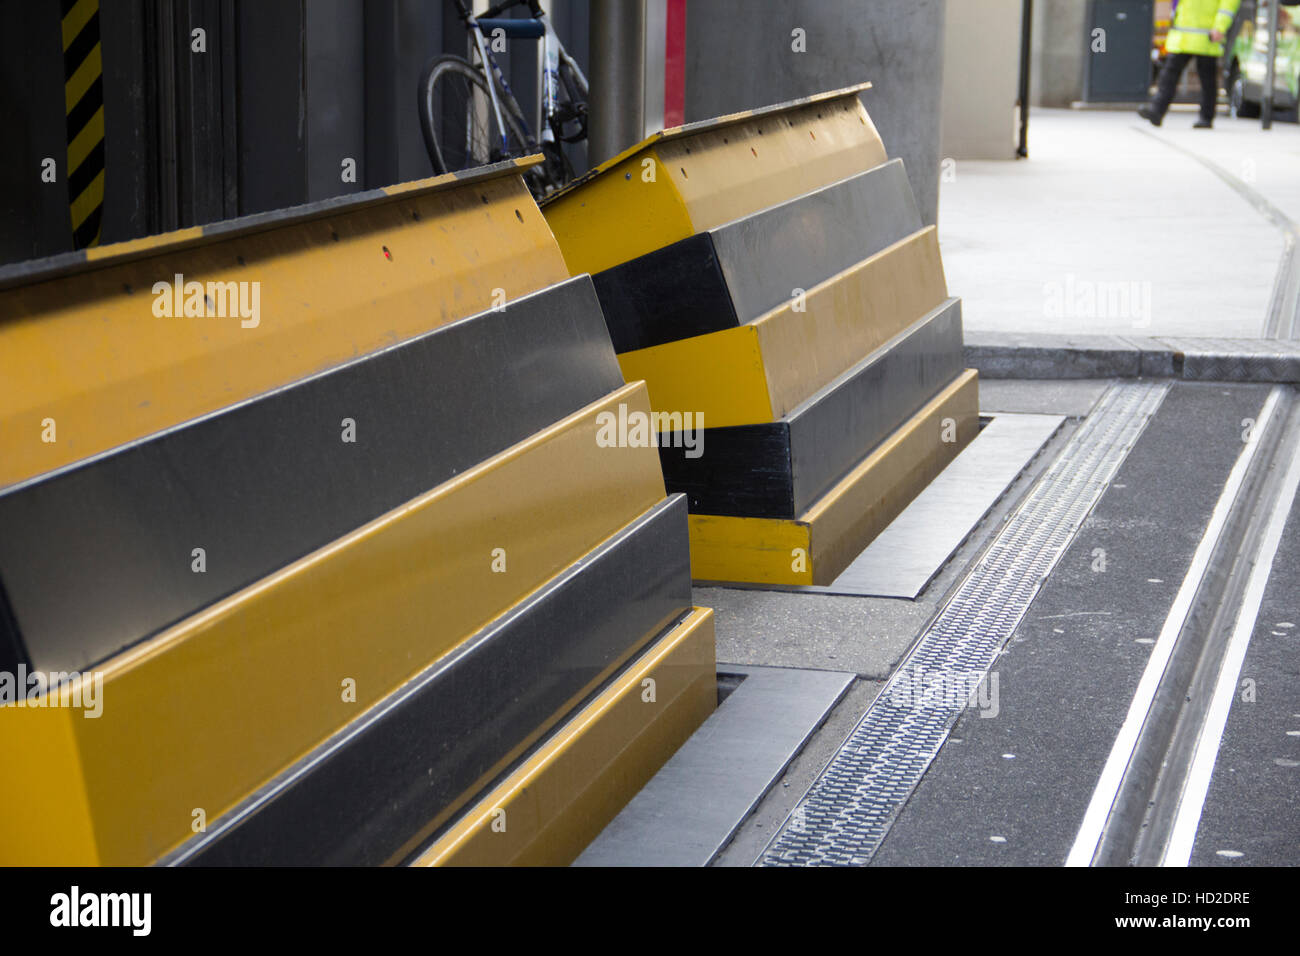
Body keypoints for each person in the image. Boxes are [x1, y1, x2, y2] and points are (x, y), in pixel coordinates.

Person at [1138, 0, 1243, 128]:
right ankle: (1157, 111)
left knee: (1207, 80)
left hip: (1206, 36)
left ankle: (1206, 117)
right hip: (1183, 36)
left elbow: (1228, 5)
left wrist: (1220, 27)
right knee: (1168, 75)